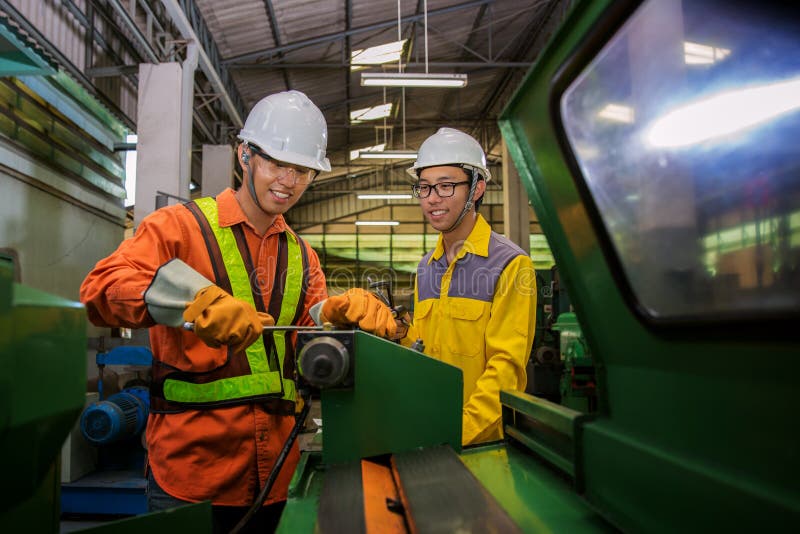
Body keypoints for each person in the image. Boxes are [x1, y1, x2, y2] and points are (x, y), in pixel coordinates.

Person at [79, 90, 395, 533]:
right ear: (245, 155)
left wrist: (338, 313)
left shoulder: (303, 256)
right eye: (276, 163)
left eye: (302, 169)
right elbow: (100, 290)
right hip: (192, 474)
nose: (288, 180)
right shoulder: (178, 228)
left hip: (280, 474)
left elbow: (308, 328)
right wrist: (191, 304)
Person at [400, 127, 537, 446]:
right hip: (428, 431)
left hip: (483, 444)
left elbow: (506, 370)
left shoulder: (511, 266)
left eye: (446, 186)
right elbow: (421, 347)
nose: (432, 198)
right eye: (424, 187)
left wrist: (458, 431)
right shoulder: (426, 267)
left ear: (477, 188)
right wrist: (393, 331)